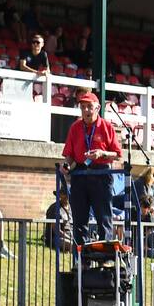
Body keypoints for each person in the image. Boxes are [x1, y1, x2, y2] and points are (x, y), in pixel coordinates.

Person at [60, 91, 122, 246]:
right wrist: (65, 165)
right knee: (79, 220)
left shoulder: (107, 127)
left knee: (104, 218)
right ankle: (81, 257)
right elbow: (69, 155)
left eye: (89, 106)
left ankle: (105, 256)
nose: (86, 110)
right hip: (80, 174)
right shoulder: (75, 127)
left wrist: (102, 153)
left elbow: (117, 154)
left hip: (101, 173)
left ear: (98, 108)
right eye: (82, 107)